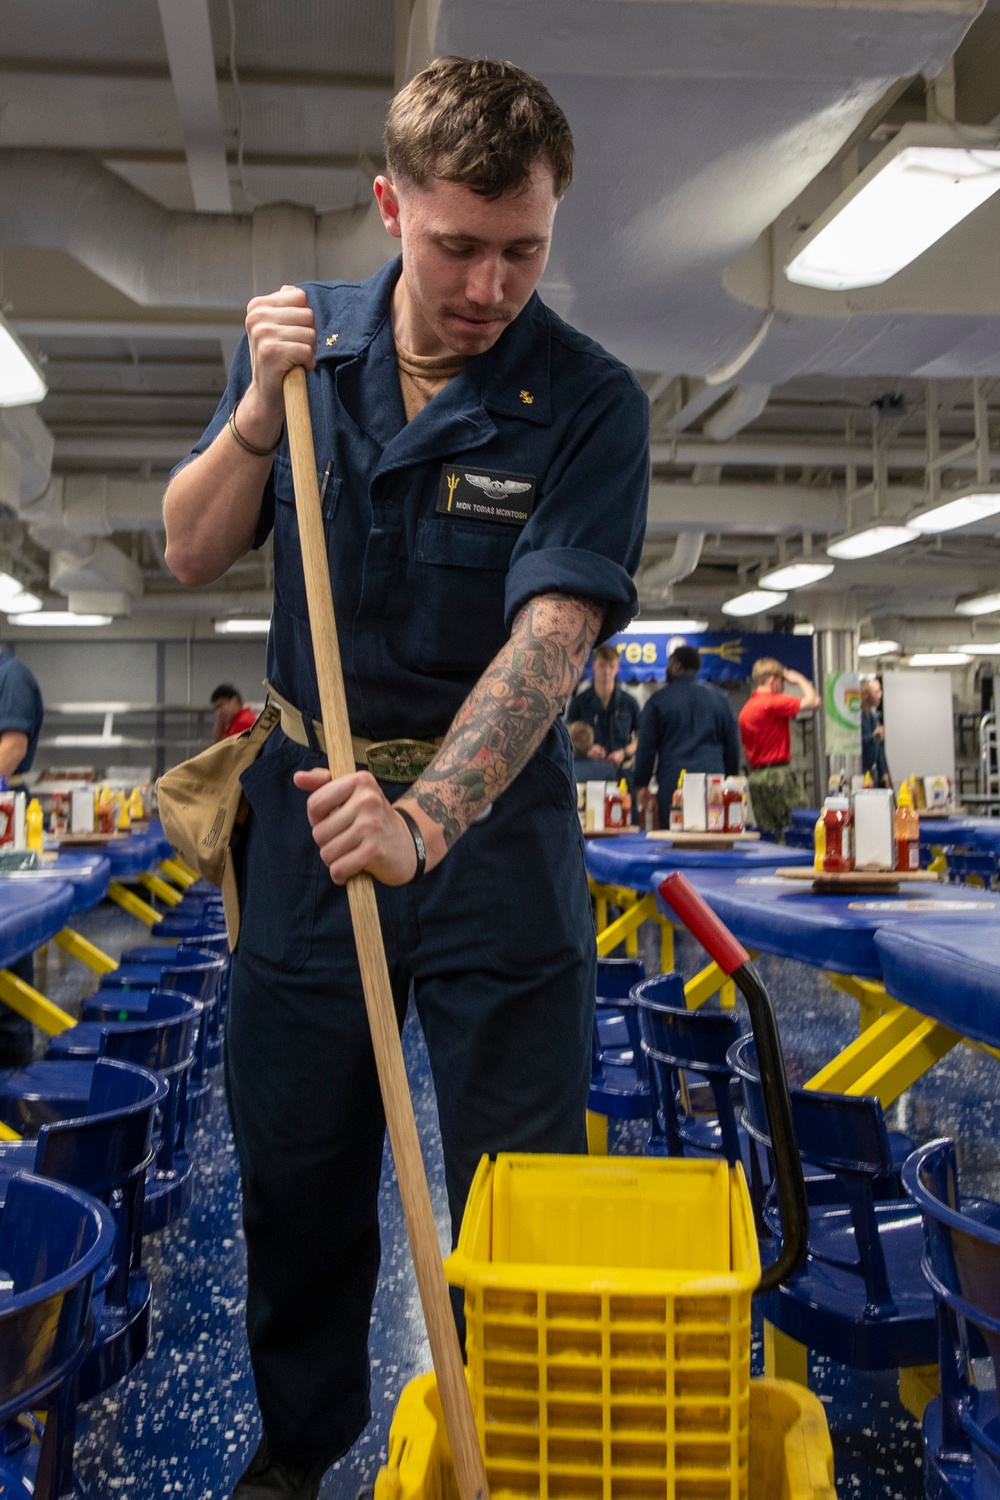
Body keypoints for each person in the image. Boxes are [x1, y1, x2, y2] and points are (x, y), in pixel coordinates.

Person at [162, 56, 648, 1500]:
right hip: (310, 818)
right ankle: (297, 1458)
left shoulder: (587, 401)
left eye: (524, 248)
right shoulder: (303, 358)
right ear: (390, 207)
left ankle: (523, 1449)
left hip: (490, 836)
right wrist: (256, 410)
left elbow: (553, 640)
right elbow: (189, 549)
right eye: (457, 246)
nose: (492, 283)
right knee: (299, 1171)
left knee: (524, 1183)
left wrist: (427, 817)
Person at [633, 646, 740, 826]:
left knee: (676, 835)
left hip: (675, 782)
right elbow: (732, 745)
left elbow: (646, 748)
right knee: (713, 832)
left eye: (669, 664)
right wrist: (730, 779)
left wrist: (641, 784)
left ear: (676, 666)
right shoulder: (720, 698)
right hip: (713, 780)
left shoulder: (658, 701)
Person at [0, 645, 45, 1067]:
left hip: (4, 815)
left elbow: (12, 746)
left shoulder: (10, 675)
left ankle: (11, 1065)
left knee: (6, 930)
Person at [738, 656, 820, 838]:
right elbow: (815, 702)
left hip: (757, 779)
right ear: (773, 681)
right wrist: (799, 679)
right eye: (783, 682)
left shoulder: (746, 709)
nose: (784, 686)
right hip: (779, 775)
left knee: (770, 834)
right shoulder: (772, 702)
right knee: (801, 827)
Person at [567, 643, 639, 770]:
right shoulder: (579, 703)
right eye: (602, 665)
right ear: (594, 665)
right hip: (588, 769)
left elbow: (642, 736)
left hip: (621, 770)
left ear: (617, 668)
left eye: (611, 666)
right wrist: (587, 749)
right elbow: (567, 735)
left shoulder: (629, 703)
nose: (607, 671)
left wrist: (624, 753)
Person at [861, 677, 891, 787]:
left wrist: (884, 772)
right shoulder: (858, 718)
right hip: (861, 770)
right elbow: (857, 742)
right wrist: (872, 736)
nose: (880, 695)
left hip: (873, 773)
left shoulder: (874, 718)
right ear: (866, 694)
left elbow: (879, 749)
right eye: (876, 692)